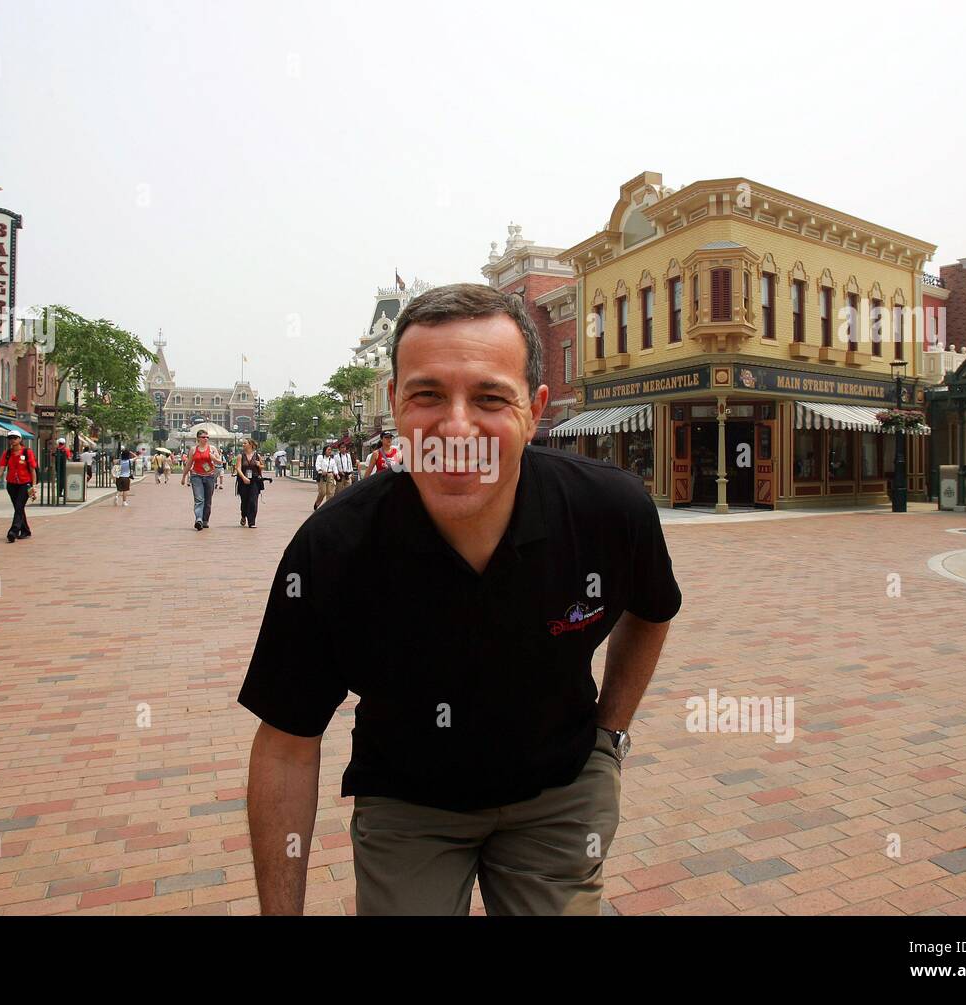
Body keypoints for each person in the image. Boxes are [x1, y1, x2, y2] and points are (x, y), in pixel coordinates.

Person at [239, 283, 681, 917]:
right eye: (426, 394)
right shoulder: (335, 549)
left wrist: (611, 736)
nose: (455, 426)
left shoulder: (608, 511)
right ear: (393, 403)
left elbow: (654, 609)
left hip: (559, 790)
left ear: (535, 409)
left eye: (490, 397)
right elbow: (285, 744)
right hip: (409, 800)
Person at [0, 431, 38, 543]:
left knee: (19, 506)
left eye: (15, 438)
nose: (12, 440)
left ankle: (13, 531)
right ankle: (25, 530)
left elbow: (32, 470)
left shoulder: (27, 452)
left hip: (25, 484)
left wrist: (34, 486)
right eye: (10, 438)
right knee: (18, 508)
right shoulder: (7, 453)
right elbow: (1, 468)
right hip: (11, 484)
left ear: (20, 439)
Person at [182, 430, 221, 530]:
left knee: (208, 500)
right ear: (198, 438)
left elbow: (220, 461)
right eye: (203, 437)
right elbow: (189, 463)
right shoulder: (193, 449)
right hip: (196, 476)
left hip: (209, 476)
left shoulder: (212, 448)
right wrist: (184, 476)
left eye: (207, 437)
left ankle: (205, 520)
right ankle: (198, 519)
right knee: (199, 499)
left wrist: (214, 458)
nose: (206, 439)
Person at [235, 437, 266, 529]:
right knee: (244, 501)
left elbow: (262, 466)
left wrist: (258, 465)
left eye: (245, 443)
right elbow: (238, 468)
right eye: (243, 444)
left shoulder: (257, 456)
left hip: (254, 481)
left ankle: (251, 522)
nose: (243, 445)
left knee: (253, 501)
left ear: (251, 445)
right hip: (243, 481)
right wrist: (243, 478)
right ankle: (243, 515)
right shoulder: (241, 456)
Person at [313, 443, 337, 510]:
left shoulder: (332, 459)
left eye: (330, 450)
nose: (330, 451)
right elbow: (317, 465)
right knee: (322, 492)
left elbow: (334, 467)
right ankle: (317, 503)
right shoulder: (320, 457)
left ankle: (327, 507)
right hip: (322, 476)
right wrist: (320, 470)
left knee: (330, 493)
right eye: (328, 450)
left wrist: (336, 474)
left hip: (330, 476)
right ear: (325, 450)